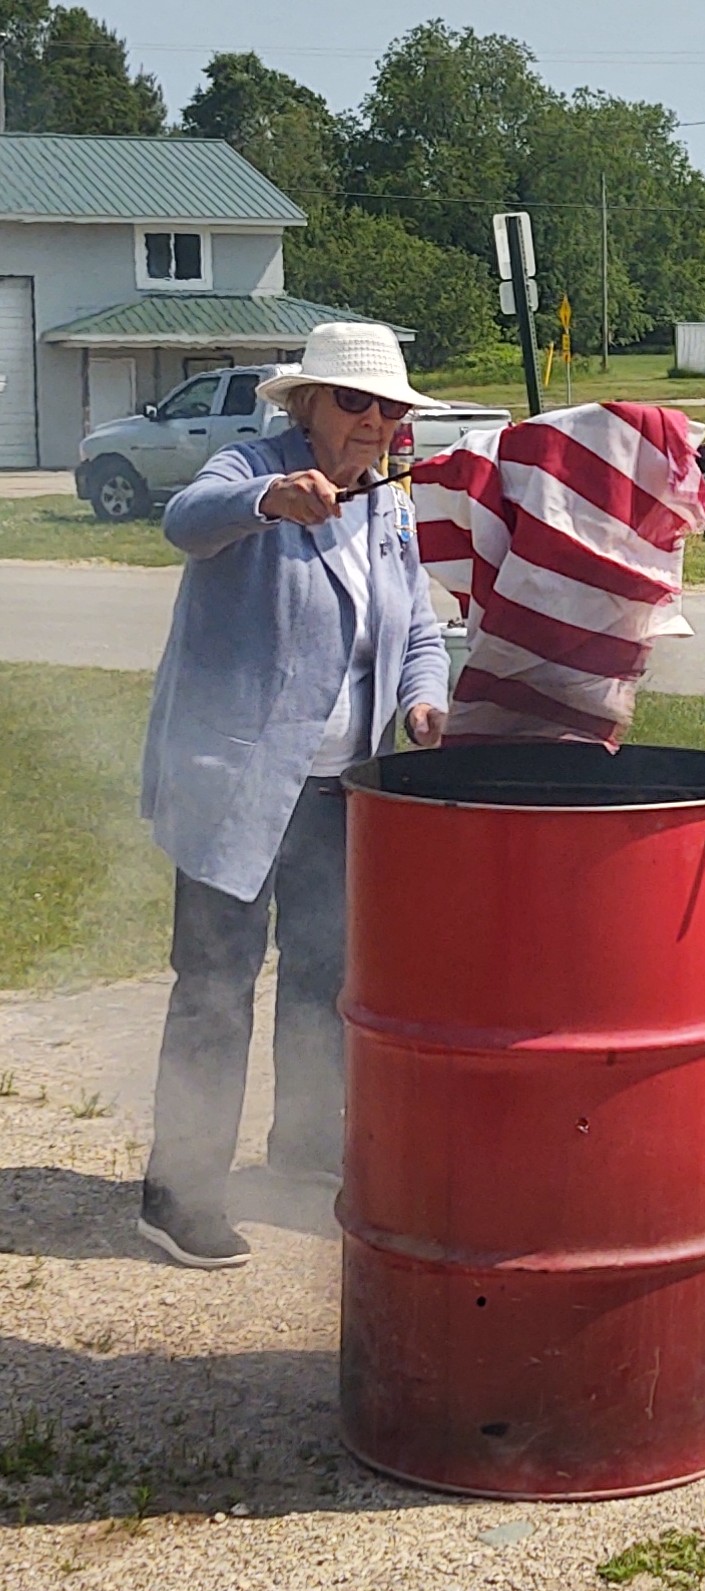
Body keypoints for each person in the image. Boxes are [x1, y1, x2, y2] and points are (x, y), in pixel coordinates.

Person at [137, 322, 451, 1268]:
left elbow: (419, 628)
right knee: (216, 986)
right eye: (354, 402)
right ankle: (178, 1189)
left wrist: (423, 700)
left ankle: (305, 1159)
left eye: (390, 408)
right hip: (232, 780)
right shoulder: (255, 467)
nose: (376, 423)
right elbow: (186, 521)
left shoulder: (385, 504)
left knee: (323, 979)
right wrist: (269, 499)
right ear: (306, 403)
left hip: (336, 789)